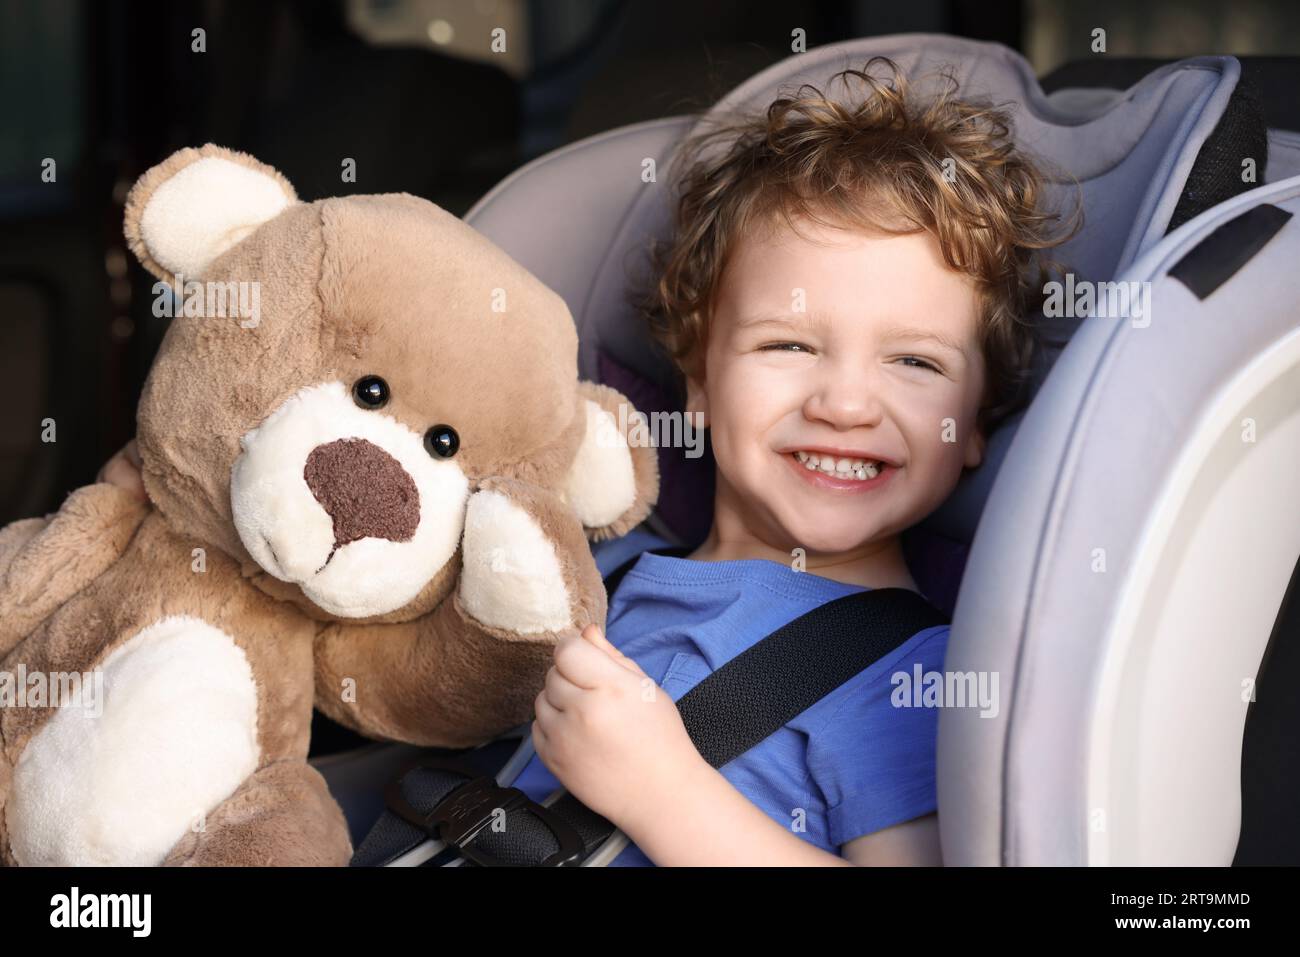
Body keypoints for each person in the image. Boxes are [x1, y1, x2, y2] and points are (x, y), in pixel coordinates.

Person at [99, 57, 1078, 866]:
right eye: (789, 345)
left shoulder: (912, 677)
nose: (845, 400)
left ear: (976, 419)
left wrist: (665, 793)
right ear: (698, 381)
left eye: (914, 362)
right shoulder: (588, 574)